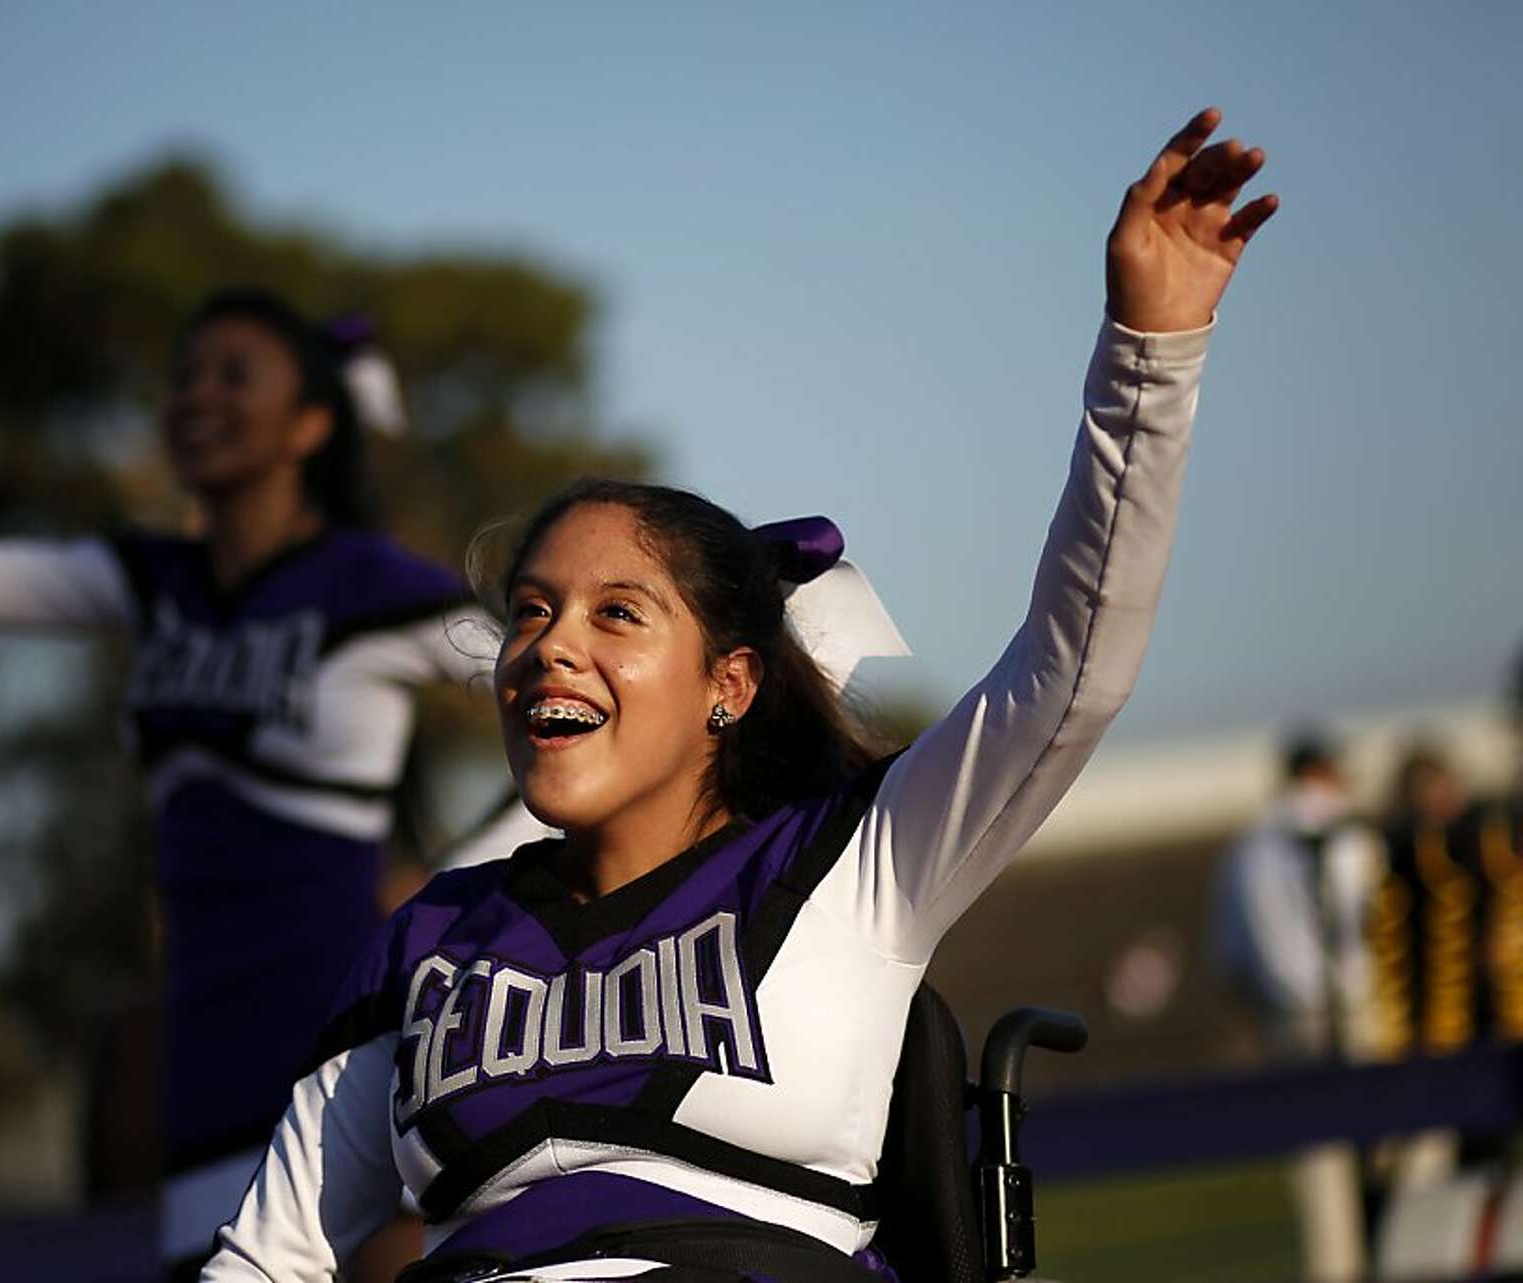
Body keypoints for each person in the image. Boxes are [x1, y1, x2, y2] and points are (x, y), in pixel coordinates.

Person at [199, 107, 1277, 1282]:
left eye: (618, 612)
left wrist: (1148, 355)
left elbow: (1072, 671)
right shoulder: (425, 946)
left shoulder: (850, 864)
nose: (552, 646)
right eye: (530, 611)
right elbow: (266, 1260)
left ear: (730, 683)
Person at [0, 247, 544, 1274]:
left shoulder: (367, 584)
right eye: (184, 376)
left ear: (311, 423)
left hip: (357, 1041)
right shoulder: (151, 582)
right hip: (202, 1057)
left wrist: (457, 886)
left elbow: (572, 705)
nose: (197, 395)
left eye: (235, 374)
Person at [1210, 733, 1382, 1283]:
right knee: (1401, 1131)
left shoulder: (1247, 849)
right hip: (1362, 1005)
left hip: (1289, 1014)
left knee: (1319, 1163)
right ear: (1326, 770)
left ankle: (1336, 1268)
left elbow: (1231, 957)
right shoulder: (1358, 833)